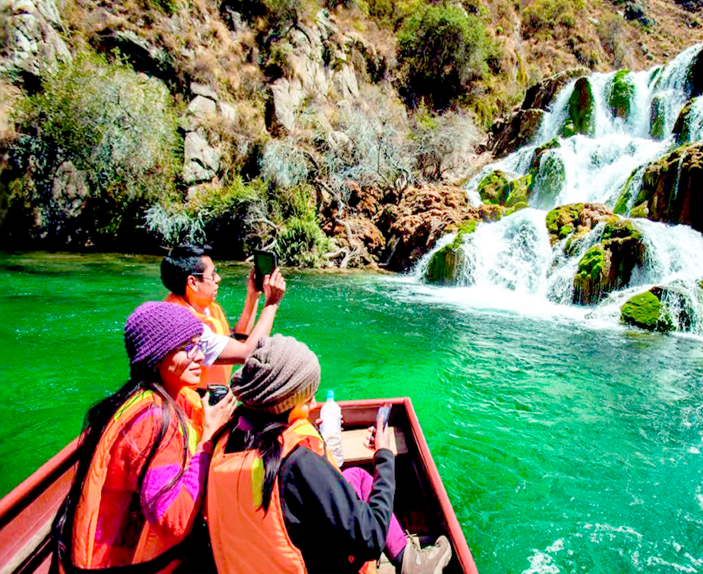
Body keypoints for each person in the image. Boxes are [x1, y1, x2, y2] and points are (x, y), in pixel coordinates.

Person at [204, 336, 453, 574]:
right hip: (316, 564)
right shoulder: (296, 465)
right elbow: (372, 537)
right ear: (284, 403)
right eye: (307, 398)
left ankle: (409, 559)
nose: (313, 405)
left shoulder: (226, 440)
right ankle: (414, 563)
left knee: (356, 475)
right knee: (369, 506)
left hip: (256, 560)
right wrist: (383, 454)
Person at [49, 302, 238, 573]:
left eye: (198, 344)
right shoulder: (153, 420)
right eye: (186, 347)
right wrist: (207, 439)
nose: (199, 356)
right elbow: (173, 522)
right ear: (157, 356)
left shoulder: (141, 397)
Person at [160, 243, 286, 389]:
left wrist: (253, 296)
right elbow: (247, 353)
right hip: (196, 406)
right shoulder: (187, 325)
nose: (218, 279)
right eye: (212, 274)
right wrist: (272, 303)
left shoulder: (206, 307)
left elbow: (238, 341)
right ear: (193, 283)